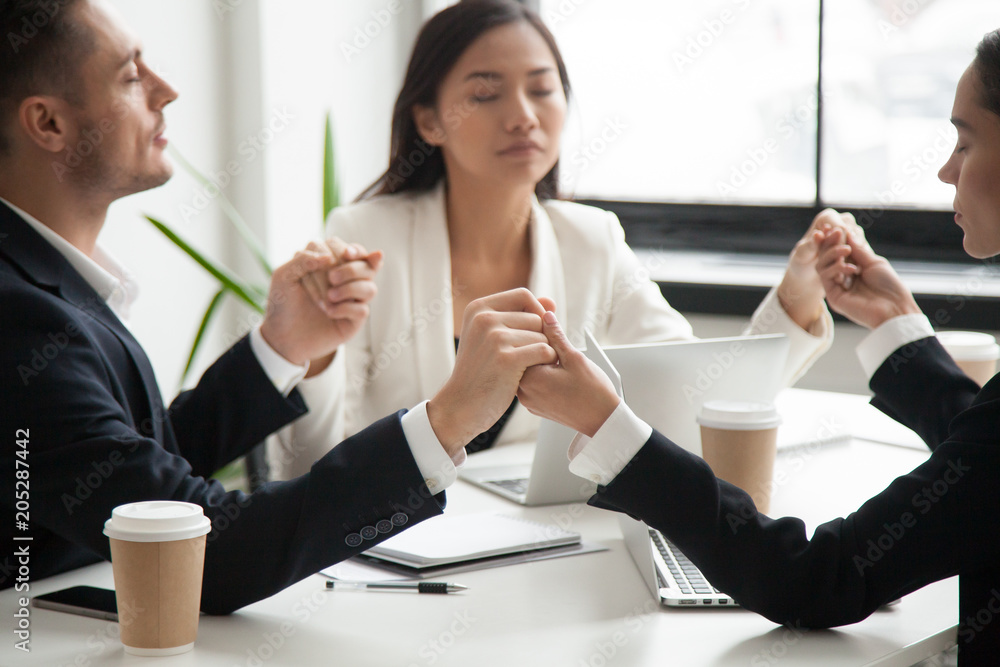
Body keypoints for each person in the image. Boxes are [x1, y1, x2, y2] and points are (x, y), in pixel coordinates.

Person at [0, 0, 559, 614]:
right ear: (48, 124)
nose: (168, 90)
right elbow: (207, 555)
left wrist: (281, 346)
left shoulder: (45, 284)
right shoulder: (18, 319)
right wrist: (446, 421)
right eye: (132, 77)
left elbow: (140, 480)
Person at [516, 28, 1000, 665]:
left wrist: (605, 426)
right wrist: (894, 323)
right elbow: (980, 464)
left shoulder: (592, 236)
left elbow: (816, 579)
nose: (945, 169)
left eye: (964, 141)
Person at [269, 0, 850, 480]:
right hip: (402, 551)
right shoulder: (367, 236)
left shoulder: (591, 239)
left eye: (541, 90)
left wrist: (798, 298)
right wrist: (316, 358)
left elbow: (702, 394)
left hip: (553, 549)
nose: (522, 115)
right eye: (485, 94)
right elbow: (309, 469)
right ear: (428, 121)